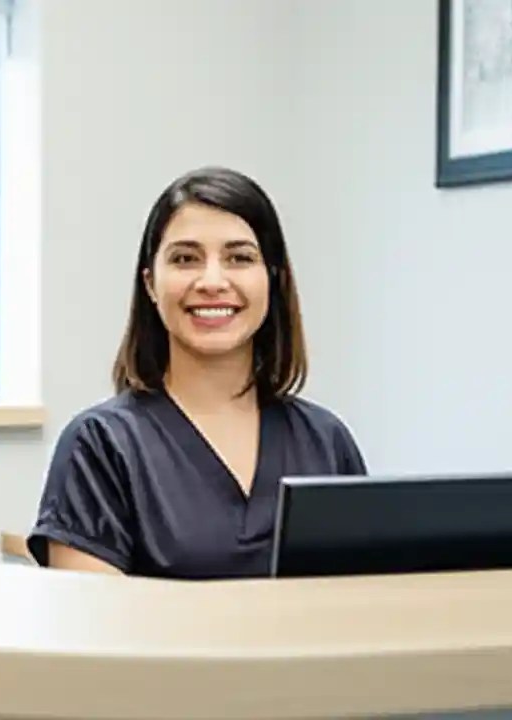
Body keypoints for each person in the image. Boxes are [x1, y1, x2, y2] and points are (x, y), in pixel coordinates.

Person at [26, 166, 367, 580]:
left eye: (239, 258)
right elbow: (96, 631)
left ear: (273, 279)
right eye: (185, 259)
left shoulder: (325, 442)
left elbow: (362, 606)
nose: (212, 281)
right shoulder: (100, 446)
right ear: (151, 284)